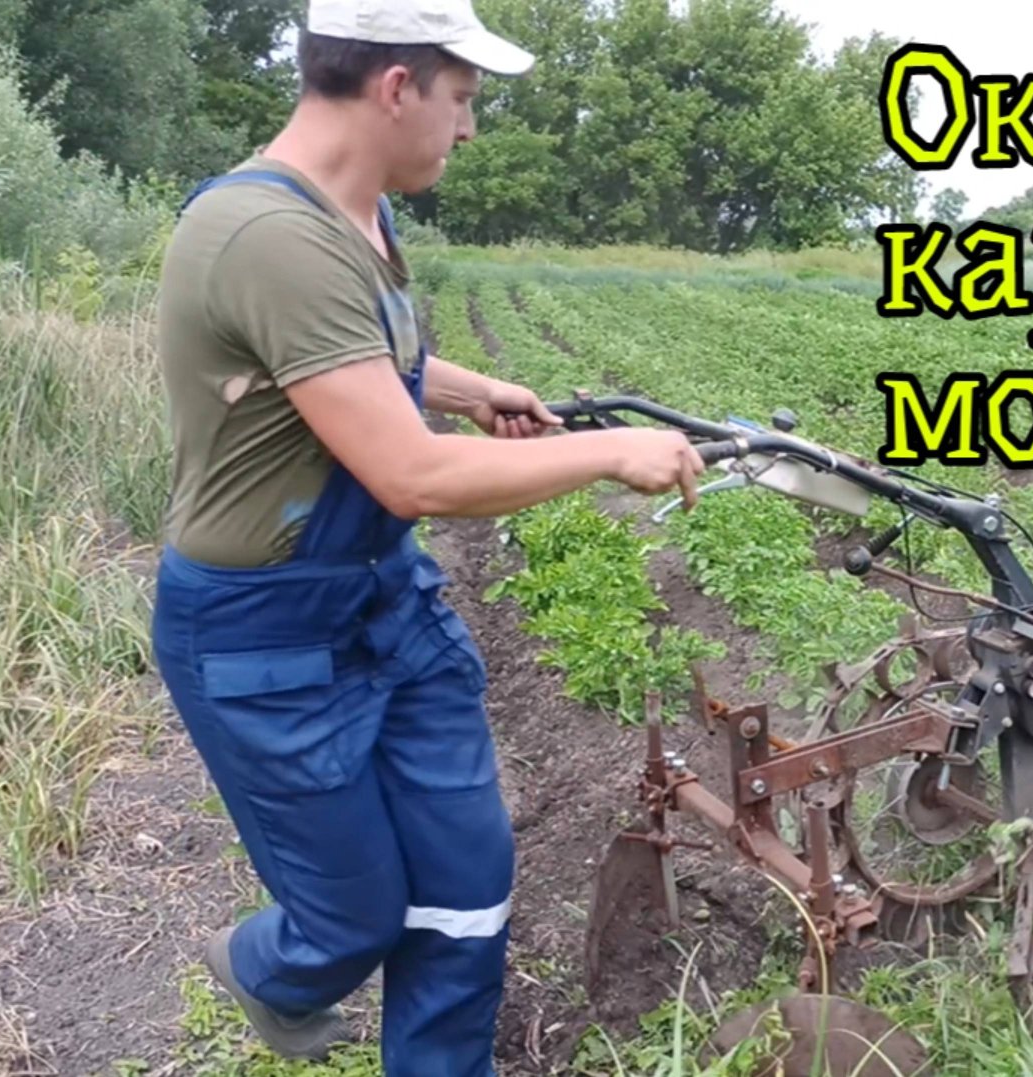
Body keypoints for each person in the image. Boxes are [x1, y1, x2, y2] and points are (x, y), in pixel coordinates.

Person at [148, 1, 705, 1072]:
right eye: (463, 98)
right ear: (397, 86)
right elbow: (415, 476)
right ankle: (269, 970)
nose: (470, 127)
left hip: (381, 601)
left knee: (464, 885)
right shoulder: (269, 237)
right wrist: (608, 453)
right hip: (263, 636)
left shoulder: (356, 215)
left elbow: (349, 358)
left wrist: (473, 387)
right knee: (352, 917)